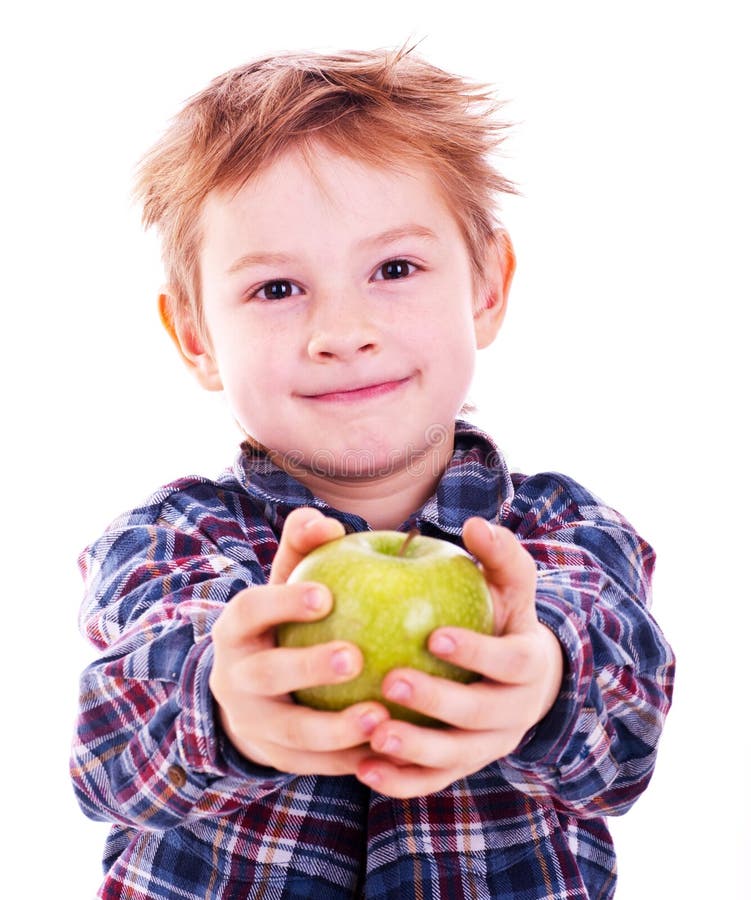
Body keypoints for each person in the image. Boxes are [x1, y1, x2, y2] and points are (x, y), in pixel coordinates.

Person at [70, 47, 675, 899]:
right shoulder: (173, 539)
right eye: (278, 289)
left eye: (394, 270)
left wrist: (541, 677)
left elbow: (629, 732)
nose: (342, 330)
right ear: (196, 338)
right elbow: (107, 756)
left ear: (487, 287)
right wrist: (225, 702)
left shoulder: (563, 534)